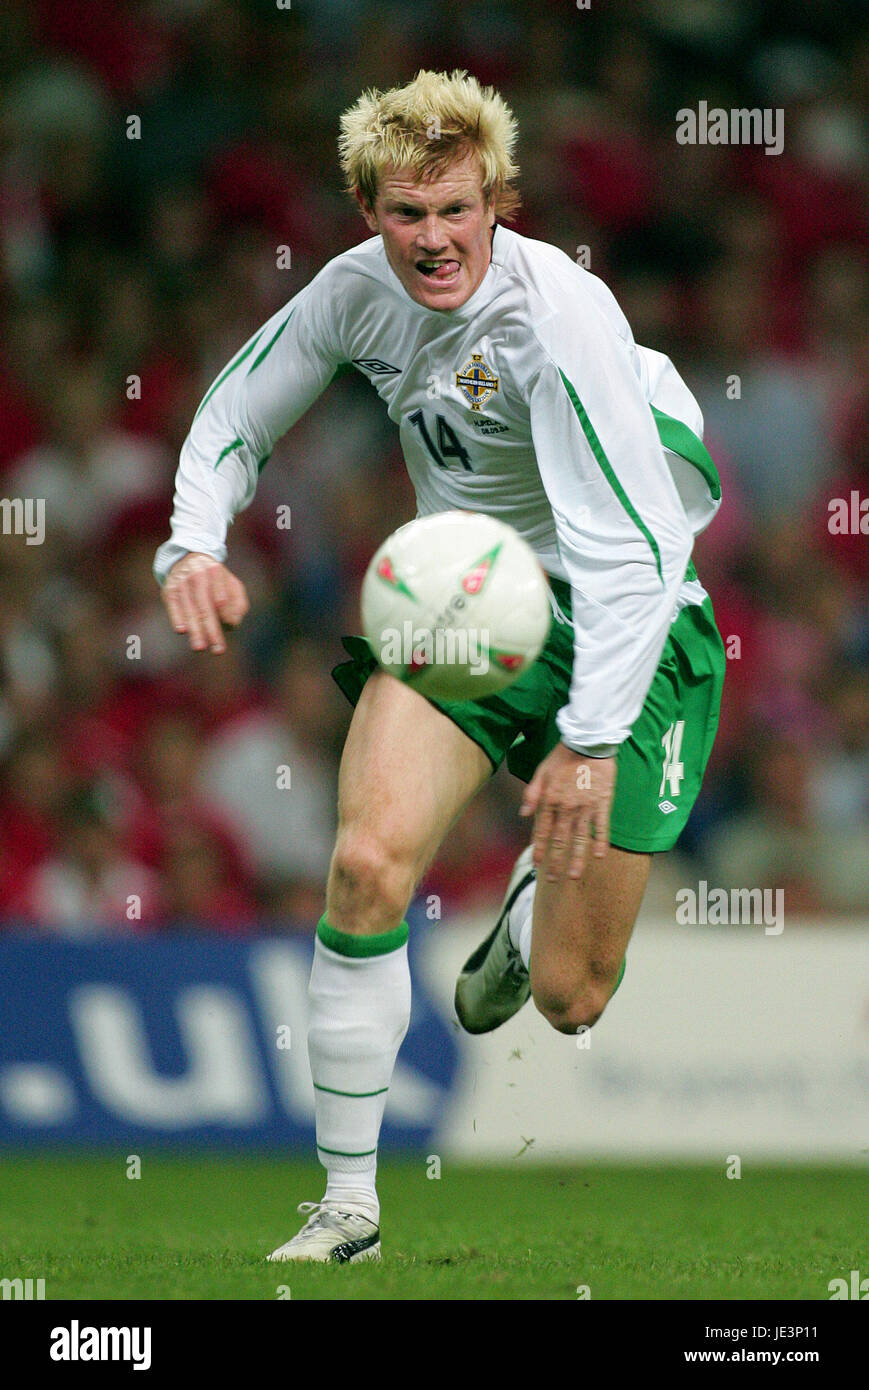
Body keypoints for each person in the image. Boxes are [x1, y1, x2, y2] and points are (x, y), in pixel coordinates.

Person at [154, 70, 725, 1264]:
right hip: (471, 600)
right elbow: (235, 414)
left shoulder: (555, 318)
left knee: (571, 996)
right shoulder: (354, 292)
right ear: (367, 209)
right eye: (406, 213)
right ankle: (347, 1207)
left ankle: (533, 910)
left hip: (634, 610)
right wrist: (195, 542)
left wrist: (590, 739)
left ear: (497, 202)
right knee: (364, 864)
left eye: (455, 210)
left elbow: (633, 553)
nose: (432, 239)